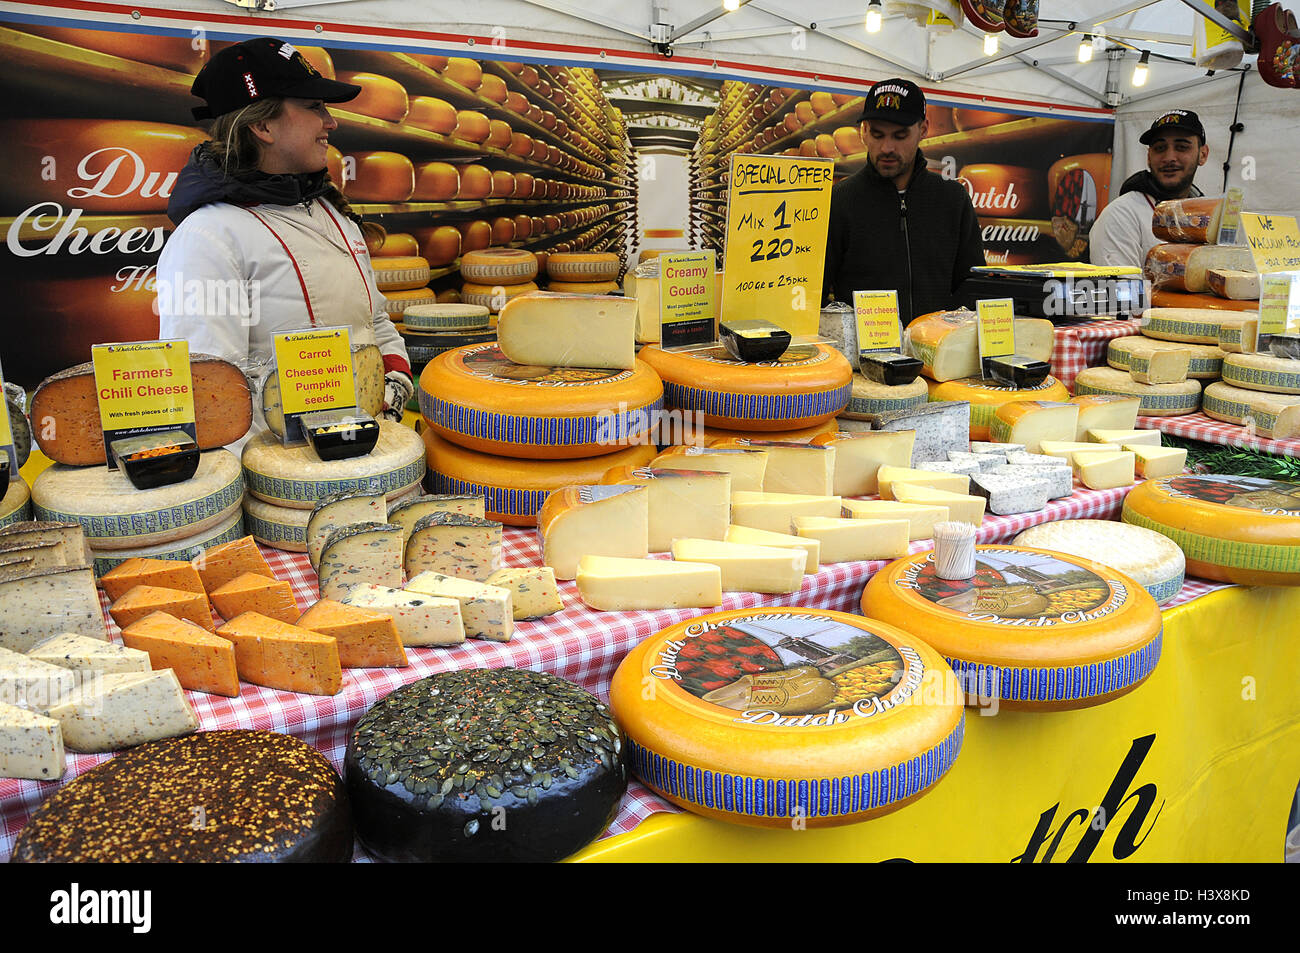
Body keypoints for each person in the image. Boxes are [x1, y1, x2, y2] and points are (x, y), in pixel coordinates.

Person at [157, 37, 413, 433]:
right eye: (314, 107)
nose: (331, 122)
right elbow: (211, 390)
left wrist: (394, 384)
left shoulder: (331, 212)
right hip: (283, 472)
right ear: (262, 125)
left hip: (363, 448)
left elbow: (374, 321)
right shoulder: (208, 237)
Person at [823, 79, 986, 326]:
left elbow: (973, 286)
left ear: (923, 130)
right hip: (861, 361)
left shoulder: (952, 199)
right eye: (877, 134)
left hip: (939, 356)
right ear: (863, 131)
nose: (887, 147)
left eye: (900, 136)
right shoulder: (840, 200)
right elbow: (817, 292)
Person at [1089, 110, 1209, 268]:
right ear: (1148, 157)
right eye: (1160, 148)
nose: (1169, 158)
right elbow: (1121, 291)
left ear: (1203, 154)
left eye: (1181, 147)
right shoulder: (1121, 215)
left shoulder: (1208, 216)